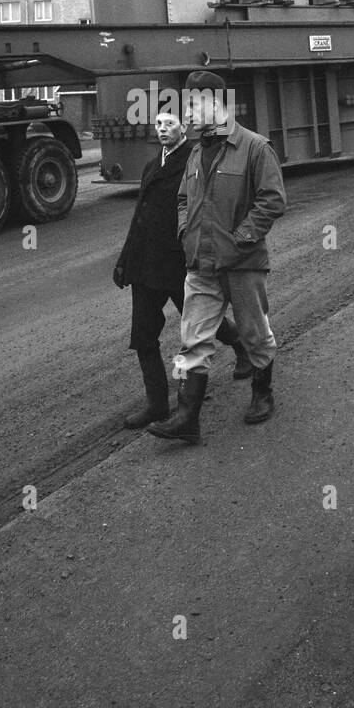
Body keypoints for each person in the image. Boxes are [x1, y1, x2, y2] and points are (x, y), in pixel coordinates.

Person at [149, 71, 286, 445]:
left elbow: (272, 200)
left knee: (255, 333)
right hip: (201, 264)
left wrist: (241, 237)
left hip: (242, 263)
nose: (188, 114)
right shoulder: (196, 151)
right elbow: (183, 199)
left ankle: (263, 393)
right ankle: (187, 417)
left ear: (217, 105)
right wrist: (184, 233)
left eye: (193, 105)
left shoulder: (255, 147)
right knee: (193, 337)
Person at [114, 112, 250, 428]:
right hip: (145, 266)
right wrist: (124, 261)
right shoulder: (152, 165)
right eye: (158, 124)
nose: (163, 129)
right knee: (143, 337)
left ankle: (243, 348)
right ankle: (157, 405)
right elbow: (140, 218)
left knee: (204, 324)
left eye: (170, 124)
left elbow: (207, 209)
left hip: (181, 263)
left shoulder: (195, 162)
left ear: (183, 128)